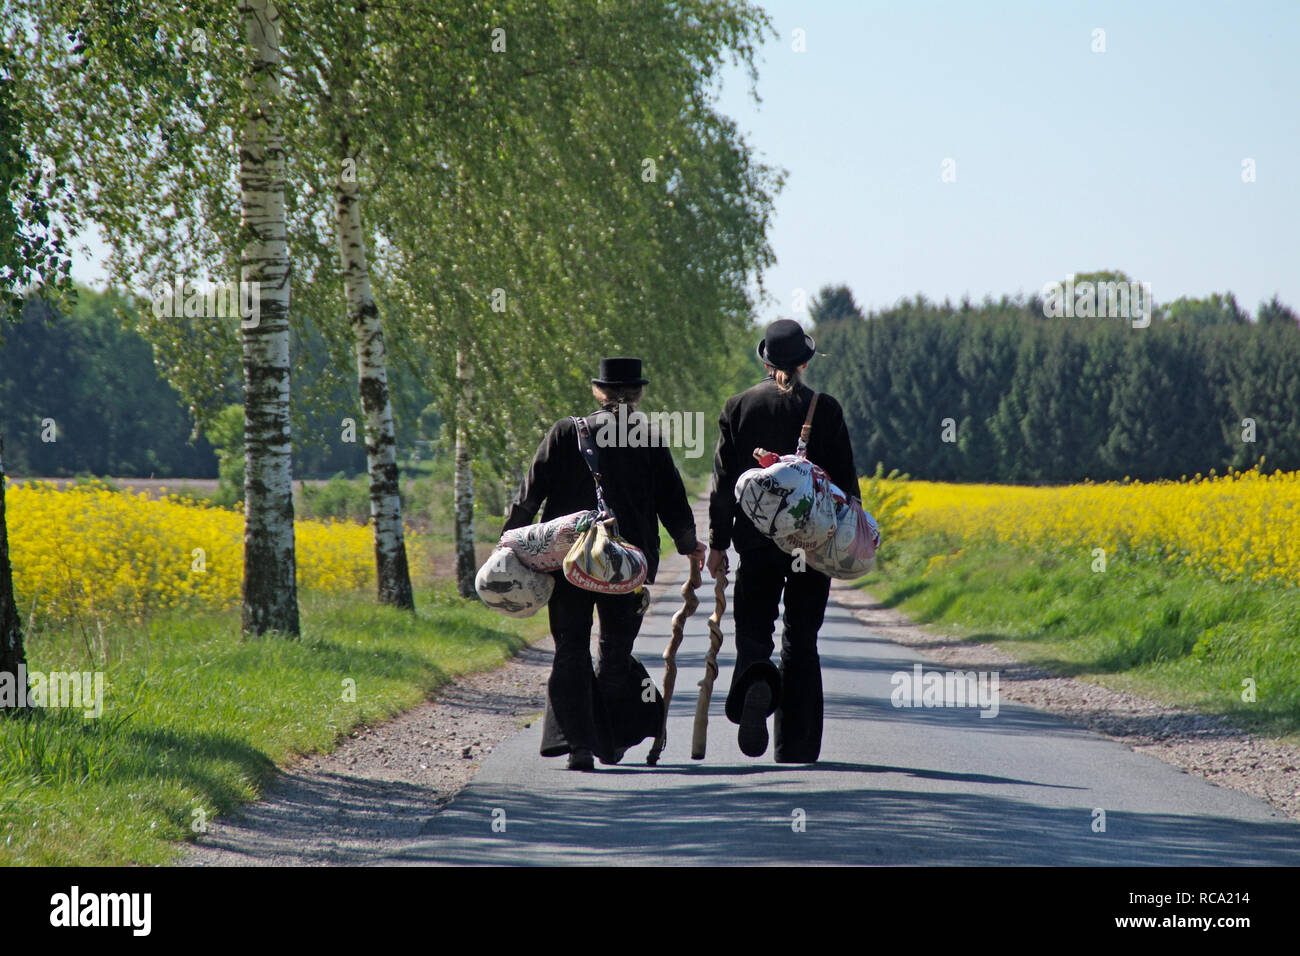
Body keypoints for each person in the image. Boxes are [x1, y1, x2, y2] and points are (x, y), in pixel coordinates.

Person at [502, 357, 706, 770]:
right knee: (614, 653)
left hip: (569, 561)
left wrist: (509, 541)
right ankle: (611, 739)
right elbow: (672, 498)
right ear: (638, 393)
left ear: (599, 391)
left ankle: (578, 743)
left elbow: (531, 492)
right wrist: (691, 546)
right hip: (628, 564)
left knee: (571, 648)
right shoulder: (648, 436)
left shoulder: (565, 432)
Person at [706, 319, 858, 763]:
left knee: (754, 629)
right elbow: (847, 483)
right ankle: (797, 744)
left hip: (757, 543)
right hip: (812, 546)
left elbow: (721, 484)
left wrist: (716, 544)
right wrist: (848, 542)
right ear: (806, 362)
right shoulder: (826, 409)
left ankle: (756, 680)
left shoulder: (738, 407)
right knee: (801, 637)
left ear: (766, 361)